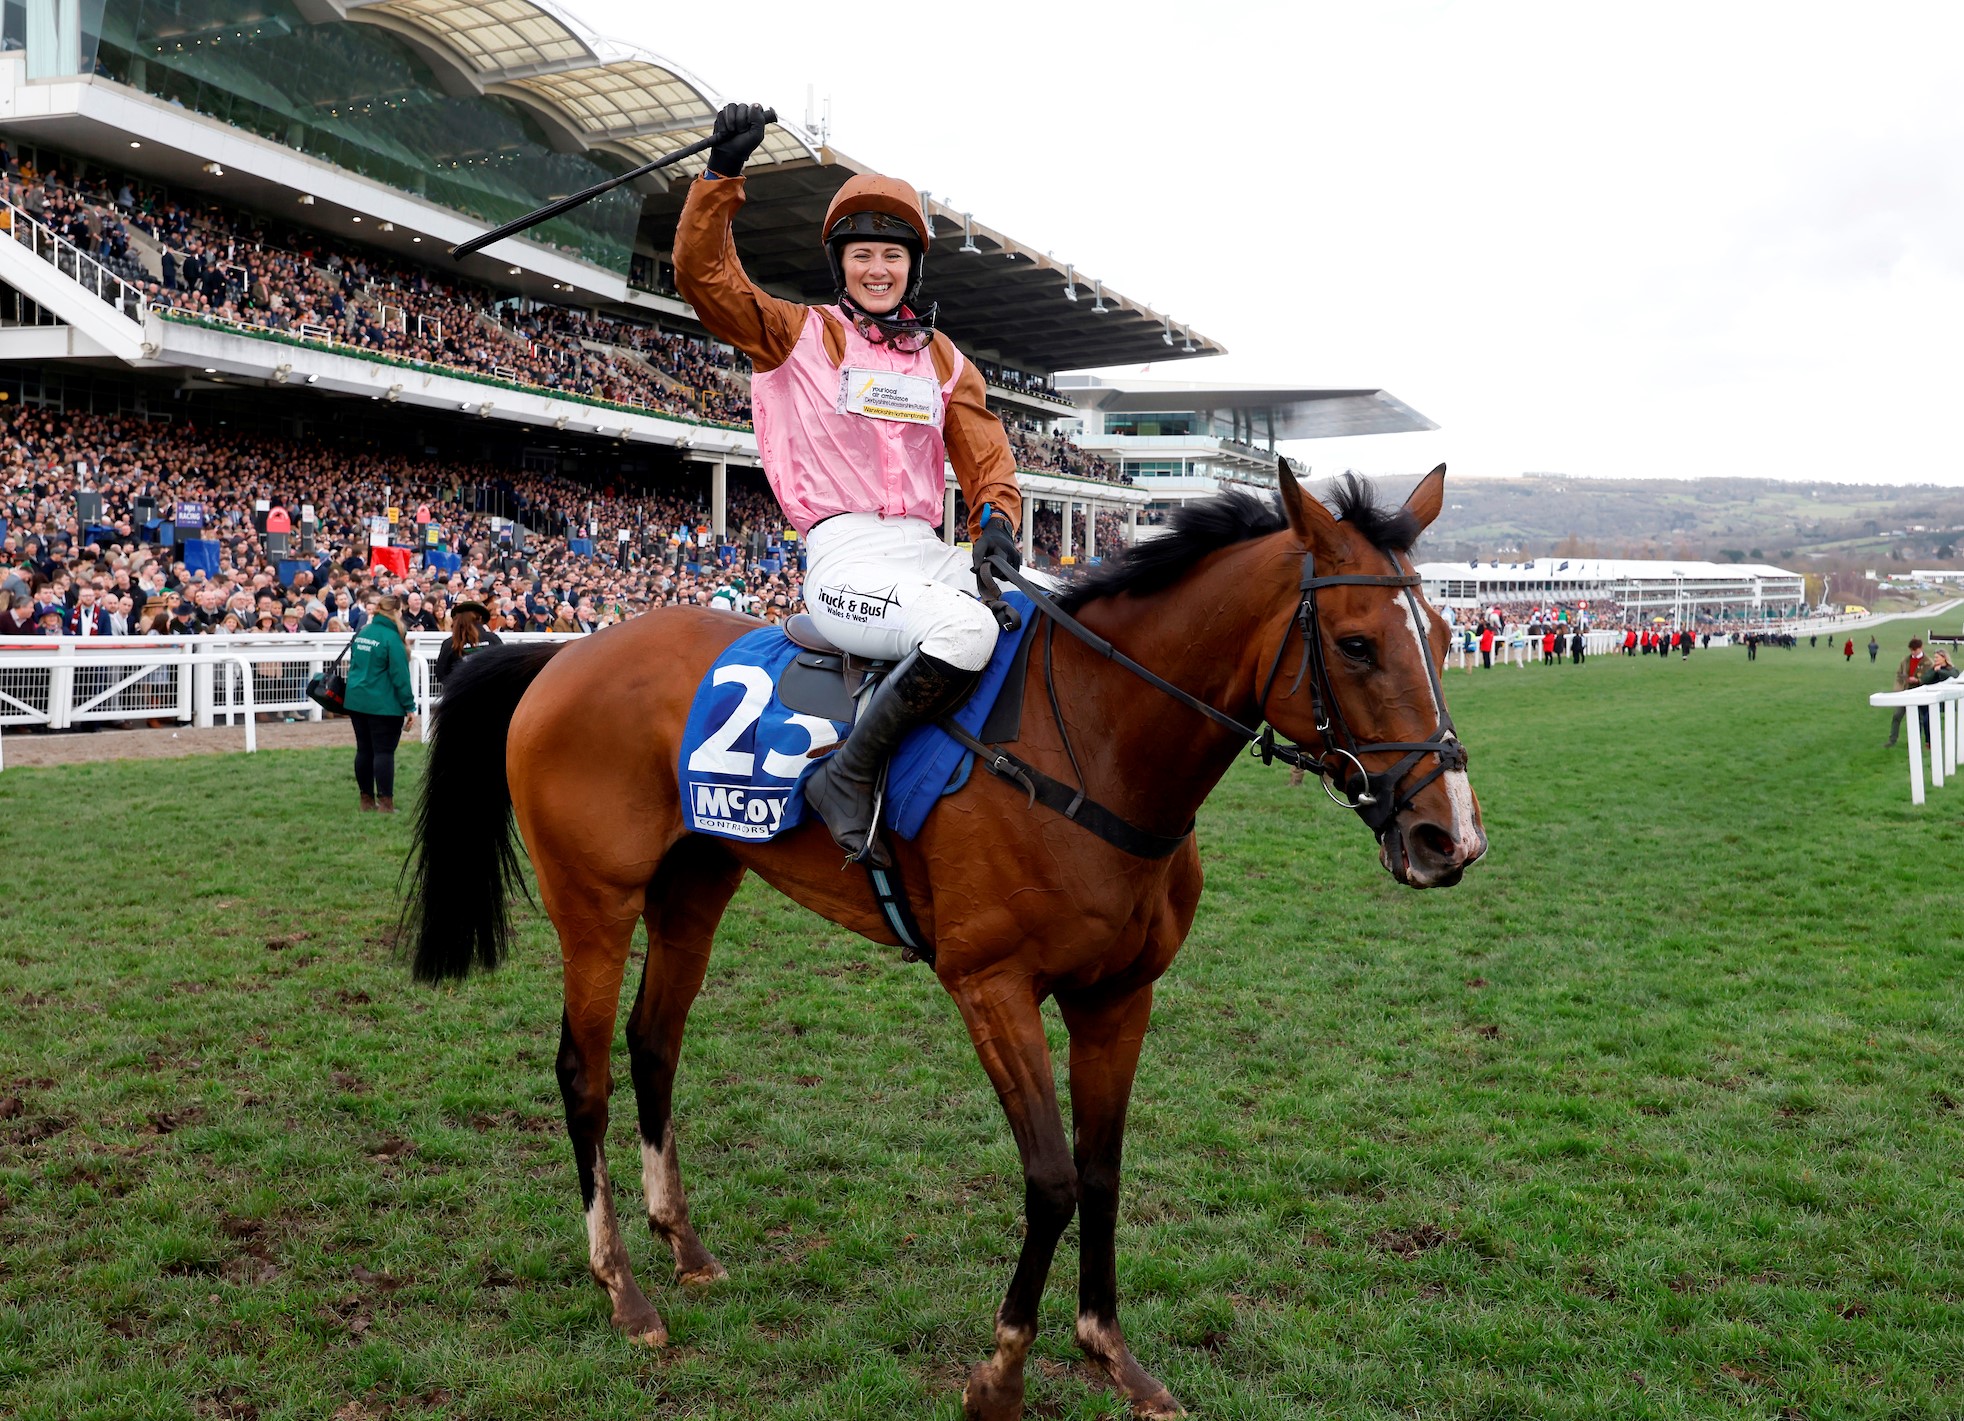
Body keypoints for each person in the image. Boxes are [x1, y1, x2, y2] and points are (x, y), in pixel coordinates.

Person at [673, 103, 1023, 865]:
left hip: (925, 549)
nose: (877, 269)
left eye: (892, 257)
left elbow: (984, 452)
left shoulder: (944, 359)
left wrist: (995, 518)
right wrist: (719, 177)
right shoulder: (796, 334)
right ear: (842, 265)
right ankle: (847, 777)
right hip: (845, 558)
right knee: (965, 631)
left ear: (911, 270)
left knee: (1046, 608)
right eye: (863, 254)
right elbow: (705, 278)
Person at [343, 592, 416, 812]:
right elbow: (400, 675)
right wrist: (410, 706)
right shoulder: (391, 638)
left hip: (357, 700)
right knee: (384, 752)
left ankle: (366, 800)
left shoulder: (363, 632)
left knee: (364, 750)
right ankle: (386, 802)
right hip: (383, 704)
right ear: (395, 612)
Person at [433, 599, 501, 690]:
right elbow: (503, 666)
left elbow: (441, 674)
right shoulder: (493, 639)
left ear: (456, 620)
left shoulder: (450, 644)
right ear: (480, 619)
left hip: (460, 694)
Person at [1885, 638, 1926, 749]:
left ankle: (1915, 742)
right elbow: (1899, 674)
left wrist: (1918, 680)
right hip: (1904, 692)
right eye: (1911, 650)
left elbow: (1929, 678)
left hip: (1919, 694)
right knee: (1897, 716)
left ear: (1921, 648)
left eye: (1915, 650)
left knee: (1917, 719)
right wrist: (1899, 688)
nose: (1913, 652)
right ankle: (1892, 740)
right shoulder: (1905, 660)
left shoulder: (1928, 662)